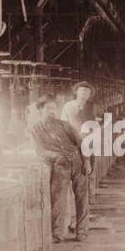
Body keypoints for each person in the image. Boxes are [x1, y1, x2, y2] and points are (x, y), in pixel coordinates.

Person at [29, 95, 89, 243]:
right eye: (48, 108)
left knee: (82, 198)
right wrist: (56, 156)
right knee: (58, 201)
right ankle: (57, 234)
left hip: (77, 161)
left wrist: (87, 161)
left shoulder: (64, 125)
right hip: (59, 166)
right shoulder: (36, 129)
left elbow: (81, 142)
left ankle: (82, 233)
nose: (52, 111)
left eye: (54, 108)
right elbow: (40, 151)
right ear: (40, 110)